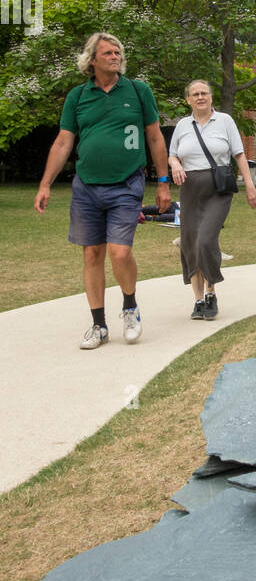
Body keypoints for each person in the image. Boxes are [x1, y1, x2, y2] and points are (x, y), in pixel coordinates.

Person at [34, 31, 171, 349]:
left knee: (119, 253)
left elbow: (154, 138)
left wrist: (163, 183)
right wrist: (44, 184)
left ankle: (130, 307)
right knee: (92, 253)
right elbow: (64, 141)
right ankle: (98, 325)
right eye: (108, 53)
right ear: (92, 60)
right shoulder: (78, 97)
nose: (115, 57)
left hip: (126, 183)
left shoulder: (138, 91)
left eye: (118, 52)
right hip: (86, 188)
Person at [167, 80, 256, 318]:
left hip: (218, 189)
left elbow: (239, 155)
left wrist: (250, 185)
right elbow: (172, 155)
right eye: (195, 94)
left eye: (204, 93)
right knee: (190, 244)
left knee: (206, 240)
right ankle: (199, 301)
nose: (200, 97)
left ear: (210, 97)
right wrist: (175, 164)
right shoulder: (183, 125)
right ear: (188, 99)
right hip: (190, 191)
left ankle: (211, 290)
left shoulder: (225, 121)